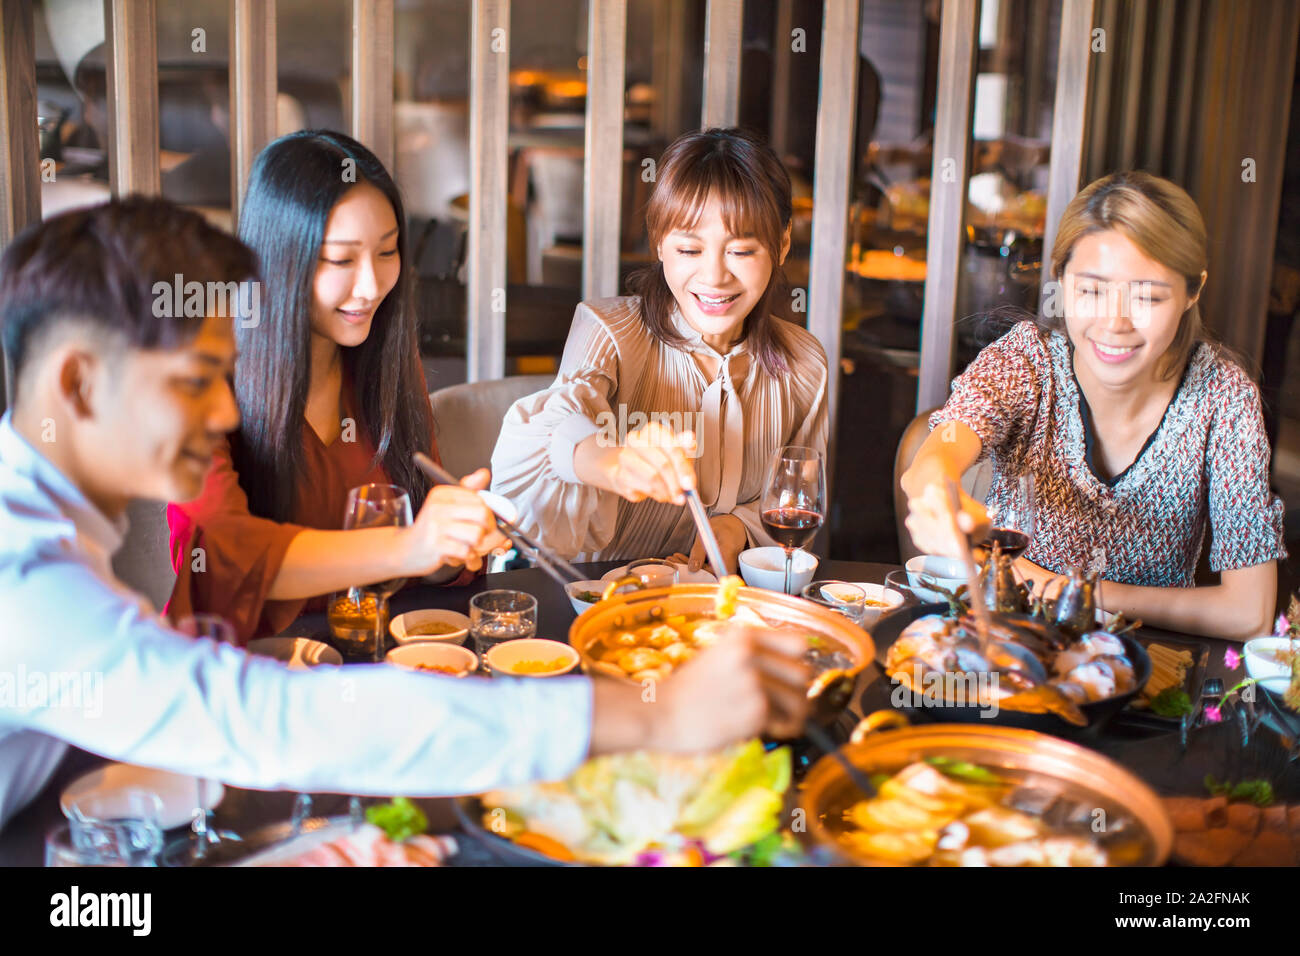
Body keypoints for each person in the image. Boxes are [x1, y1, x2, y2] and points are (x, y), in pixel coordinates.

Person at [0, 198, 811, 830]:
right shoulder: (25, 580)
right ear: (76, 384)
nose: (222, 411)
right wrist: (657, 712)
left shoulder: (46, 522)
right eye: (195, 378)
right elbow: (271, 719)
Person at [901, 171, 1285, 642]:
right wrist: (935, 491)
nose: (1114, 323)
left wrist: (1061, 589)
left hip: (1143, 662)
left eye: (1146, 295)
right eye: (1091, 290)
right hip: (1005, 642)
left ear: (1193, 291)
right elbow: (936, 456)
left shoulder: (1223, 397)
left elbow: (1249, 614)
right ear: (1060, 280)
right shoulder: (1027, 362)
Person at [167, 131, 491, 644]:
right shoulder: (195, 373)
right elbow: (234, 554)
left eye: (387, 252)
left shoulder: (382, 355)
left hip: (372, 659)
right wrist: (411, 546)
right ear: (279, 259)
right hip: (239, 675)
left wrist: (445, 551)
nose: (370, 287)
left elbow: (415, 558)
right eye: (341, 260)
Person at [491, 128, 829, 571]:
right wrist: (610, 459)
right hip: (598, 599)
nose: (714, 277)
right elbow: (553, 429)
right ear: (658, 243)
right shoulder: (608, 331)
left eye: (741, 251)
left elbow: (798, 502)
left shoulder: (803, 362)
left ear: (782, 244)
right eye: (689, 249)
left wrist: (739, 527)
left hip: (716, 614)